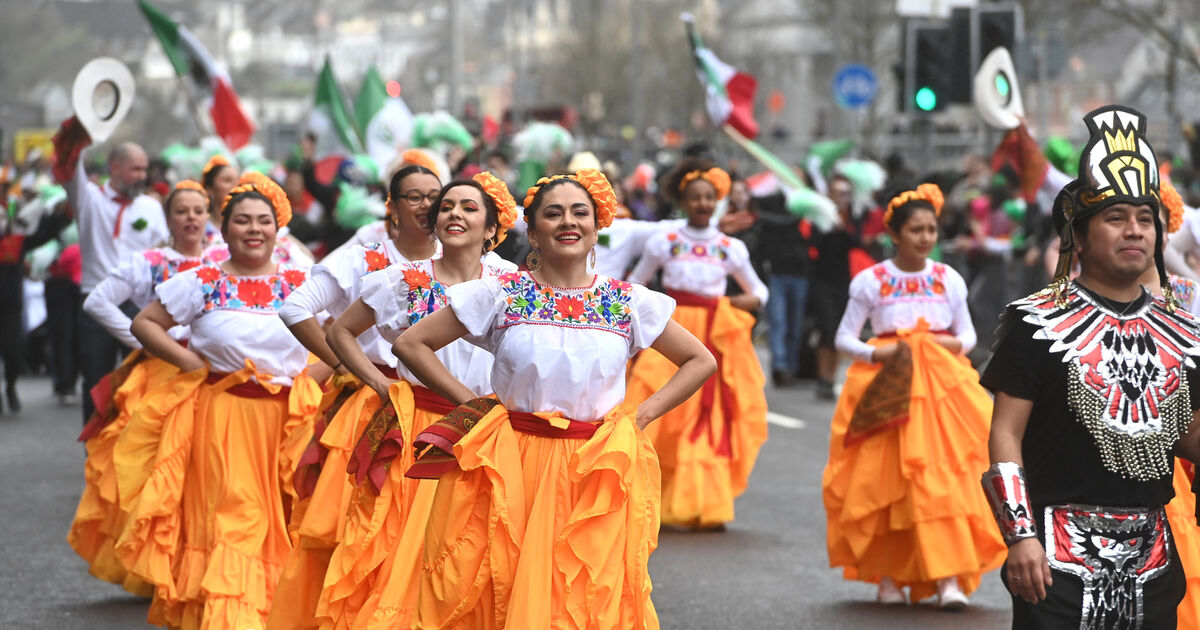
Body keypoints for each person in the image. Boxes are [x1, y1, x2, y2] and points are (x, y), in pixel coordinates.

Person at [392, 169, 715, 628]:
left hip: (594, 465)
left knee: (584, 592)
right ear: (534, 230)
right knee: (498, 583)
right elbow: (411, 344)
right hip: (510, 461)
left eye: (580, 212)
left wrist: (638, 418)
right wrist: (474, 406)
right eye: (553, 213)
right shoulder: (501, 293)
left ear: (597, 224)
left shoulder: (627, 302)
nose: (568, 222)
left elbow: (700, 360)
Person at [981, 105, 1200, 629]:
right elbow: (1005, 435)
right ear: (1078, 236)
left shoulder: (1185, 334)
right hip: (1053, 561)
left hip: (1154, 560)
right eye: (1116, 217)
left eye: (1145, 219)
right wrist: (1020, 536)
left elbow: (1188, 434)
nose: (1134, 231)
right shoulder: (1035, 323)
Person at [310, 173, 517, 629]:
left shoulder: (512, 283)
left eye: (468, 208)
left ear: (490, 229)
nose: (454, 214)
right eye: (447, 207)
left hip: (483, 430)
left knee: (470, 546)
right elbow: (339, 331)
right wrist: (377, 384)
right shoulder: (401, 280)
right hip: (418, 428)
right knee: (401, 543)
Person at [118, 172, 323, 629]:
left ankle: (276, 612)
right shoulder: (203, 280)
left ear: (277, 229)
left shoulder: (302, 281)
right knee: (235, 517)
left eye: (263, 221)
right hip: (221, 418)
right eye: (242, 221)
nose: (254, 229)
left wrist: (308, 379)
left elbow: (340, 339)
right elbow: (146, 323)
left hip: (289, 420)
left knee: (283, 521)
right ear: (224, 228)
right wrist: (192, 365)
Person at [265, 163, 443, 629]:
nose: (427, 206)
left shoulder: (466, 257)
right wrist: (351, 366)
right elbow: (296, 307)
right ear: (392, 207)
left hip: (449, 413)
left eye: (434, 196)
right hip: (378, 405)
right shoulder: (366, 258)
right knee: (365, 529)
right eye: (414, 197)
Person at [823, 182, 1005, 608]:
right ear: (895, 234)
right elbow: (844, 337)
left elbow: (969, 335)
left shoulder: (948, 278)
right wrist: (878, 351)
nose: (925, 238)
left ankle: (948, 579)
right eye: (916, 230)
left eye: (931, 229)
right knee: (886, 482)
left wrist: (942, 345)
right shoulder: (872, 280)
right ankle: (889, 577)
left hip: (943, 390)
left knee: (948, 479)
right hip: (887, 388)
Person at [68, 180, 211, 596]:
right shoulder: (149, 260)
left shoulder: (225, 259)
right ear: (167, 219)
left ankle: (199, 561)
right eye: (181, 211)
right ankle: (160, 562)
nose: (190, 218)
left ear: (208, 215)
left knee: (205, 467)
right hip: (162, 375)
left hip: (215, 375)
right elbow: (97, 301)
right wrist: (145, 339)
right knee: (159, 470)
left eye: (198, 210)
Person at [626, 158, 769, 530]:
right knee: (660, 408)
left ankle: (703, 501)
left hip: (714, 335)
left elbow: (759, 291)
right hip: (672, 334)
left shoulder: (729, 247)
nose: (703, 204)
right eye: (695, 198)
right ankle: (647, 496)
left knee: (708, 418)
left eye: (709, 198)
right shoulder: (665, 242)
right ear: (683, 202)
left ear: (718, 201)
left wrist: (729, 306)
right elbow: (635, 284)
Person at [60, 141, 168, 423]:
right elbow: (69, 169)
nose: (143, 175)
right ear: (114, 168)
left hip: (141, 306)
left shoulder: (151, 207)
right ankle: (95, 459)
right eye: (136, 169)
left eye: (144, 169)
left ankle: (134, 455)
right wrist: (81, 132)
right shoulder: (89, 199)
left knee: (144, 380)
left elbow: (163, 254)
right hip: (95, 303)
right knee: (96, 382)